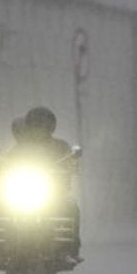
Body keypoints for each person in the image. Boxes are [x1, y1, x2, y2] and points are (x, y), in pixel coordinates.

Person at [6, 106, 81, 259]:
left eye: (43, 126)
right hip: (23, 192)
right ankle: (1, 248)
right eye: (35, 125)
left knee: (71, 208)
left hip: (55, 193)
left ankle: (70, 249)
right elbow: (5, 163)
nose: (39, 129)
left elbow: (72, 162)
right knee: (1, 207)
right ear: (29, 126)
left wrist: (71, 166)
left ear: (51, 127)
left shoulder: (60, 146)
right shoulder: (20, 148)